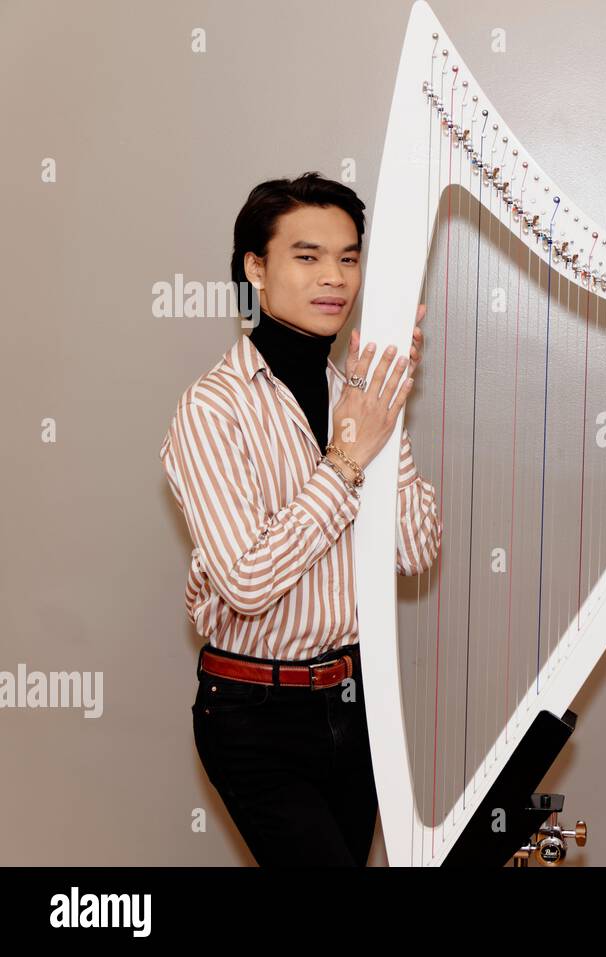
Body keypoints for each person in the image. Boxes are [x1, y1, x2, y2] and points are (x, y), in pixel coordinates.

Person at [159, 172, 442, 865]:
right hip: (253, 714)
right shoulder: (211, 408)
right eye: (308, 256)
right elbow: (249, 581)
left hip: (357, 702)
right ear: (256, 267)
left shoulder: (361, 394)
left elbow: (416, 548)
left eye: (348, 258)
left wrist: (383, 408)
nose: (335, 278)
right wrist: (345, 460)